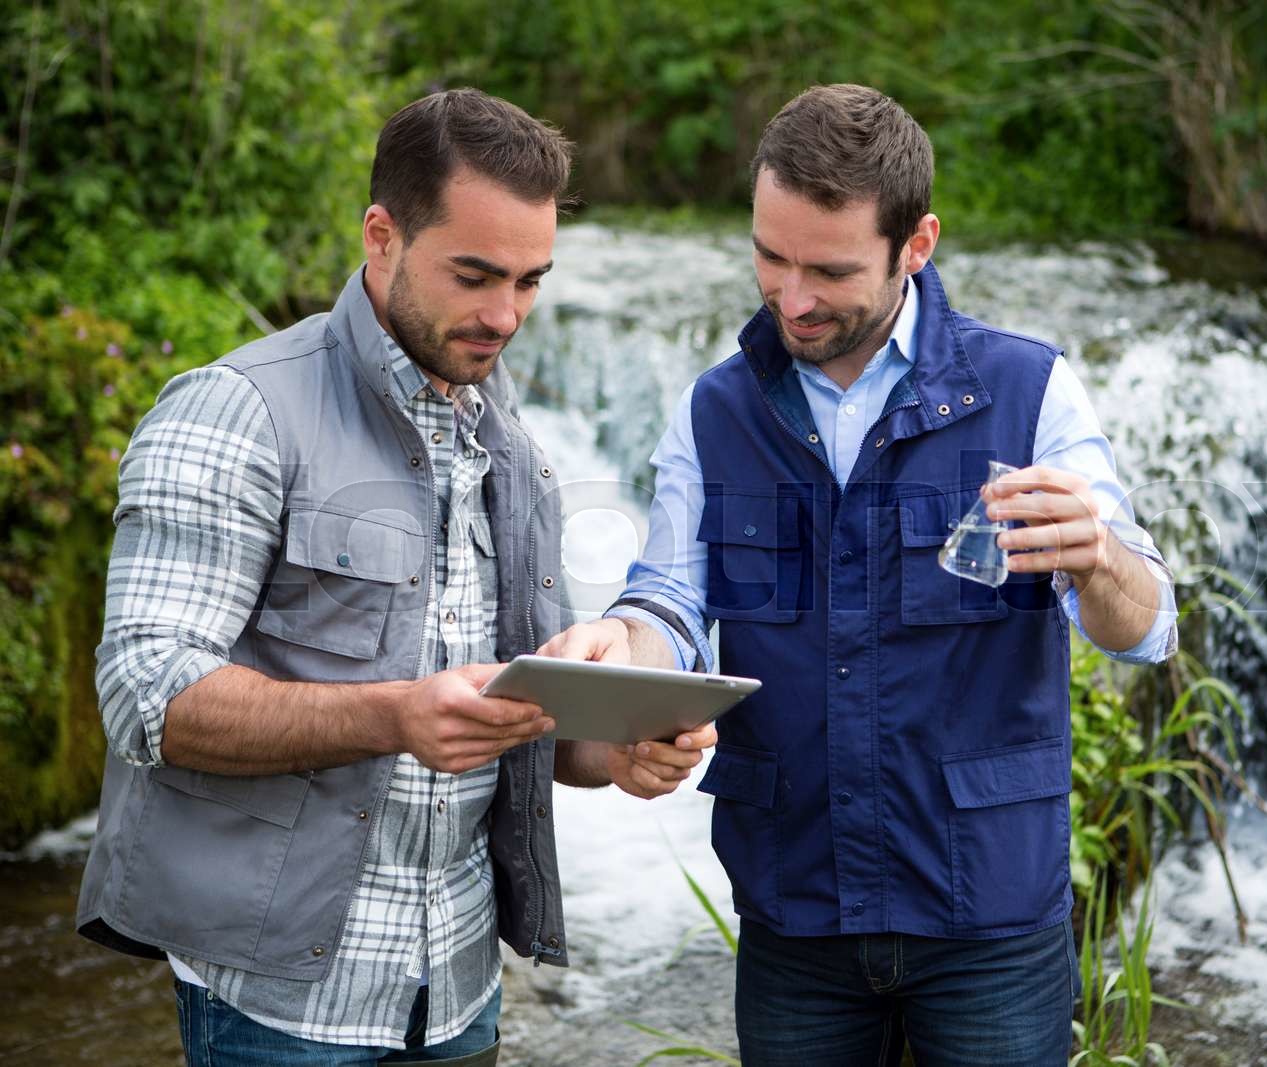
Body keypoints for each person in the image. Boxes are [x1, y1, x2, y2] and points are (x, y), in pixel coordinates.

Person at [75, 88, 714, 1067]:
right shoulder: (232, 412)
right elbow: (144, 694)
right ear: (382, 235)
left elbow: (526, 710)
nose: (505, 314)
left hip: (460, 993)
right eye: (475, 274)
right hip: (281, 1007)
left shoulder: (517, 450)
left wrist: (619, 753)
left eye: (531, 280)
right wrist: (393, 713)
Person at [541, 84, 1178, 1065]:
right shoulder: (713, 410)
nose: (790, 297)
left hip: (991, 925)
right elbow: (667, 597)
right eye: (768, 256)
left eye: (828, 269)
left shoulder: (1031, 390)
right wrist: (617, 659)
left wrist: (1098, 554)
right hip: (795, 918)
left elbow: (1143, 626)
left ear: (915, 245)